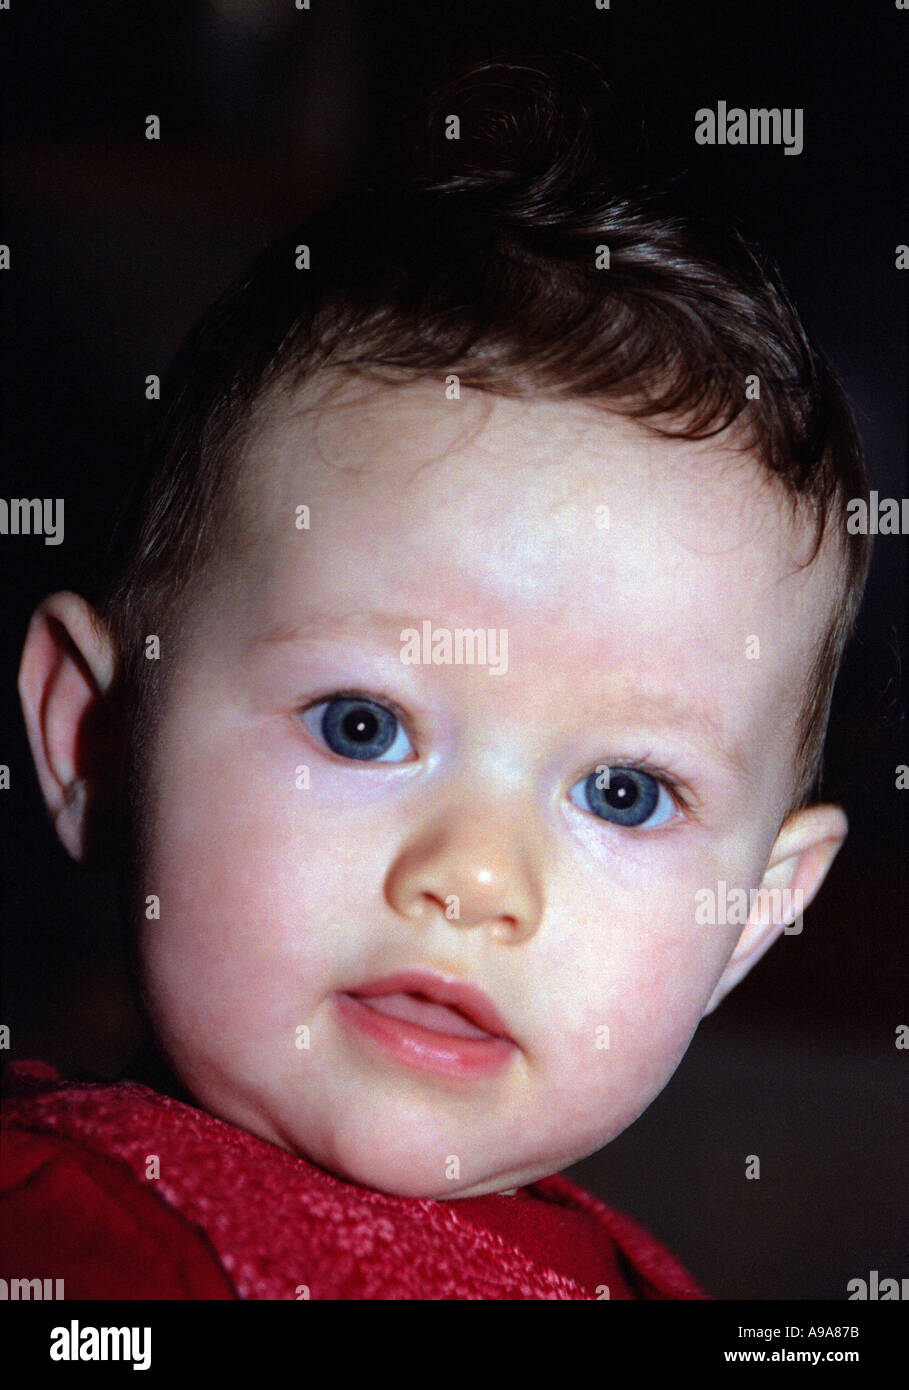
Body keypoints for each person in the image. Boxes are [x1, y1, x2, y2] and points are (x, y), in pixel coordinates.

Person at [1, 57, 871, 1299]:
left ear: (752, 912)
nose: (473, 879)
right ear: (96, 737)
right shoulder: (78, 1248)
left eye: (624, 791)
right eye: (364, 726)